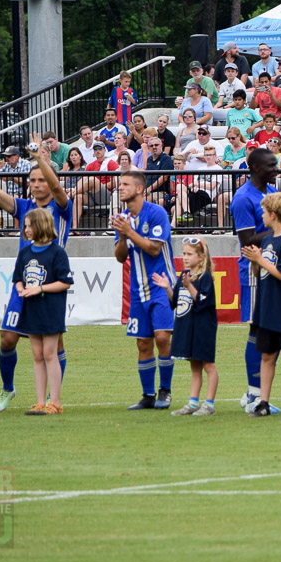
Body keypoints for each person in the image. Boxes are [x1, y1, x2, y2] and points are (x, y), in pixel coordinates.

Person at [0, 138, 71, 412]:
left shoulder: (61, 208)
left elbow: (58, 187)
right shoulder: (24, 206)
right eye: (33, 180)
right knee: (7, 337)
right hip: (23, 285)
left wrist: (39, 159)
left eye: (41, 179)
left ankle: (52, 398)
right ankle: (8, 388)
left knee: (53, 344)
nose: (36, 184)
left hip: (50, 283)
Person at [232, 147, 281, 413]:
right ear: (256, 168)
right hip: (253, 270)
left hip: (270, 267)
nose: (276, 169)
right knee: (256, 331)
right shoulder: (242, 198)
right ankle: (253, 394)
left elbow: (277, 231)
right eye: (271, 165)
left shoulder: (269, 193)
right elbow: (247, 241)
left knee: (264, 332)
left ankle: (257, 395)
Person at [109, 170, 176, 410]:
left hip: (161, 286)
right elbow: (120, 257)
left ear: (139, 189)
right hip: (138, 291)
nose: (121, 188)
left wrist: (129, 232)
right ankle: (148, 395)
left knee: (162, 337)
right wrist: (121, 236)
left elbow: (154, 249)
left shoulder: (156, 213)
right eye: (120, 184)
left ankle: (165, 390)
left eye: (125, 184)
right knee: (143, 344)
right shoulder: (123, 219)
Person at [242, 192, 281, 417]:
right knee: (267, 355)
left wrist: (260, 260)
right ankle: (263, 402)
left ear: (273, 214)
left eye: (264, 212)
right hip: (266, 307)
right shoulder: (268, 239)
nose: (261, 215)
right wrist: (255, 262)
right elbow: (264, 274)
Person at [11, 207, 73, 416]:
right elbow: (18, 277)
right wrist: (20, 288)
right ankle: (40, 402)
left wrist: (40, 288)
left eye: (30, 226)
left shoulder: (57, 252)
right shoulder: (25, 252)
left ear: (42, 225)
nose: (26, 230)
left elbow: (65, 282)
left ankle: (54, 401)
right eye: (25, 226)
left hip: (51, 310)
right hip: (32, 309)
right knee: (37, 355)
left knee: (49, 353)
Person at [156, 236, 218, 416]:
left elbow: (202, 300)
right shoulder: (183, 276)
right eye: (183, 253)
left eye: (189, 254)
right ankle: (192, 402)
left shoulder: (204, 277)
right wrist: (167, 287)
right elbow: (175, 302)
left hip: (203, 328)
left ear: (201, 257)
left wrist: (189, 285)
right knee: (195, 366)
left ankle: (209, 403)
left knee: (209, 366)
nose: (185, 257)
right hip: (187, 327)